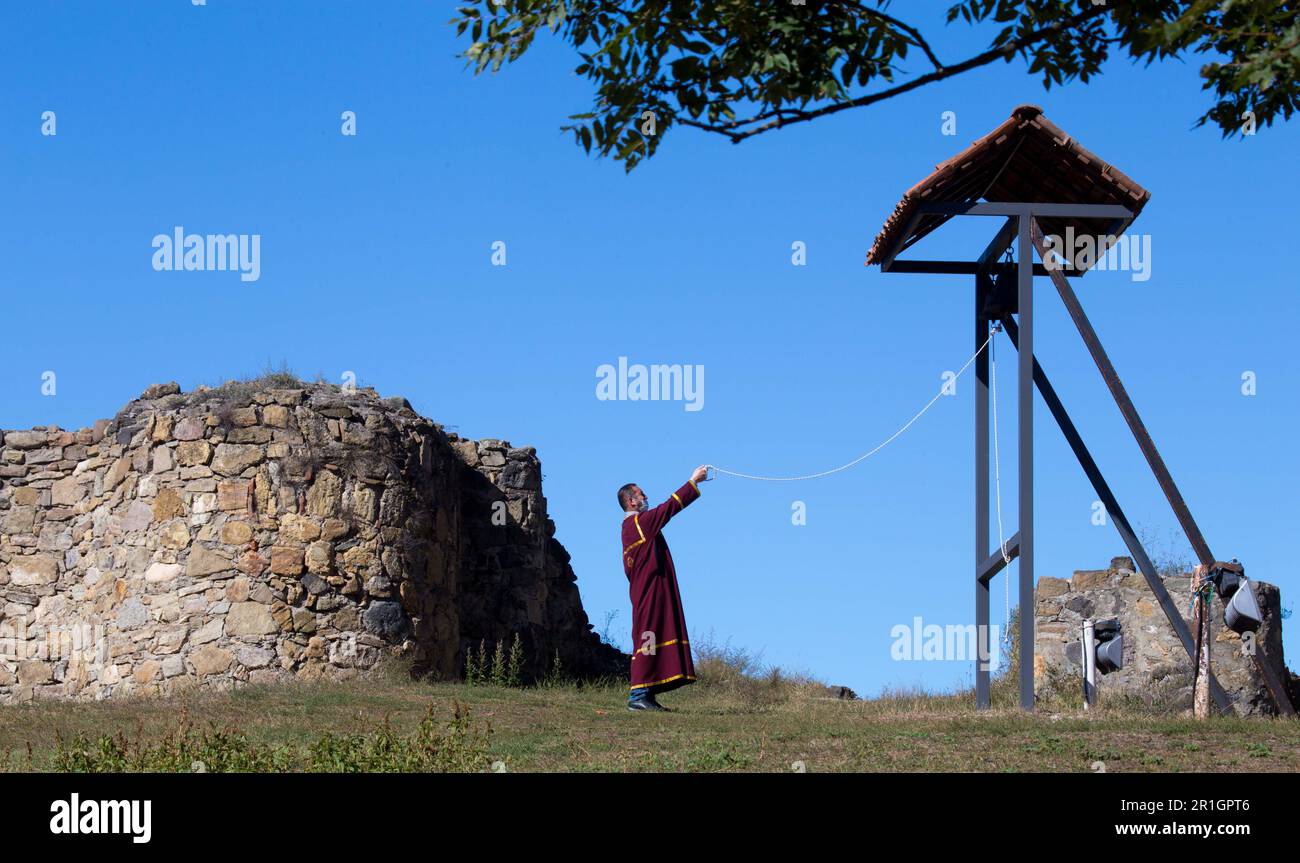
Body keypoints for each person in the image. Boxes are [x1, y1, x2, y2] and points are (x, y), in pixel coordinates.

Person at [617, 465, 710, 711]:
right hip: (648, 593)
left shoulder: (637, 526)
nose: (646, 497)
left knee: (655, 632)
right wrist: (693, 481)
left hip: (653, 591)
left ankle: (648, 692)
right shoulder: (638, 524)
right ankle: (638, 695)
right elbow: (669, 508)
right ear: (631, 501)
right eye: (641, 494)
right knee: (647, 636)